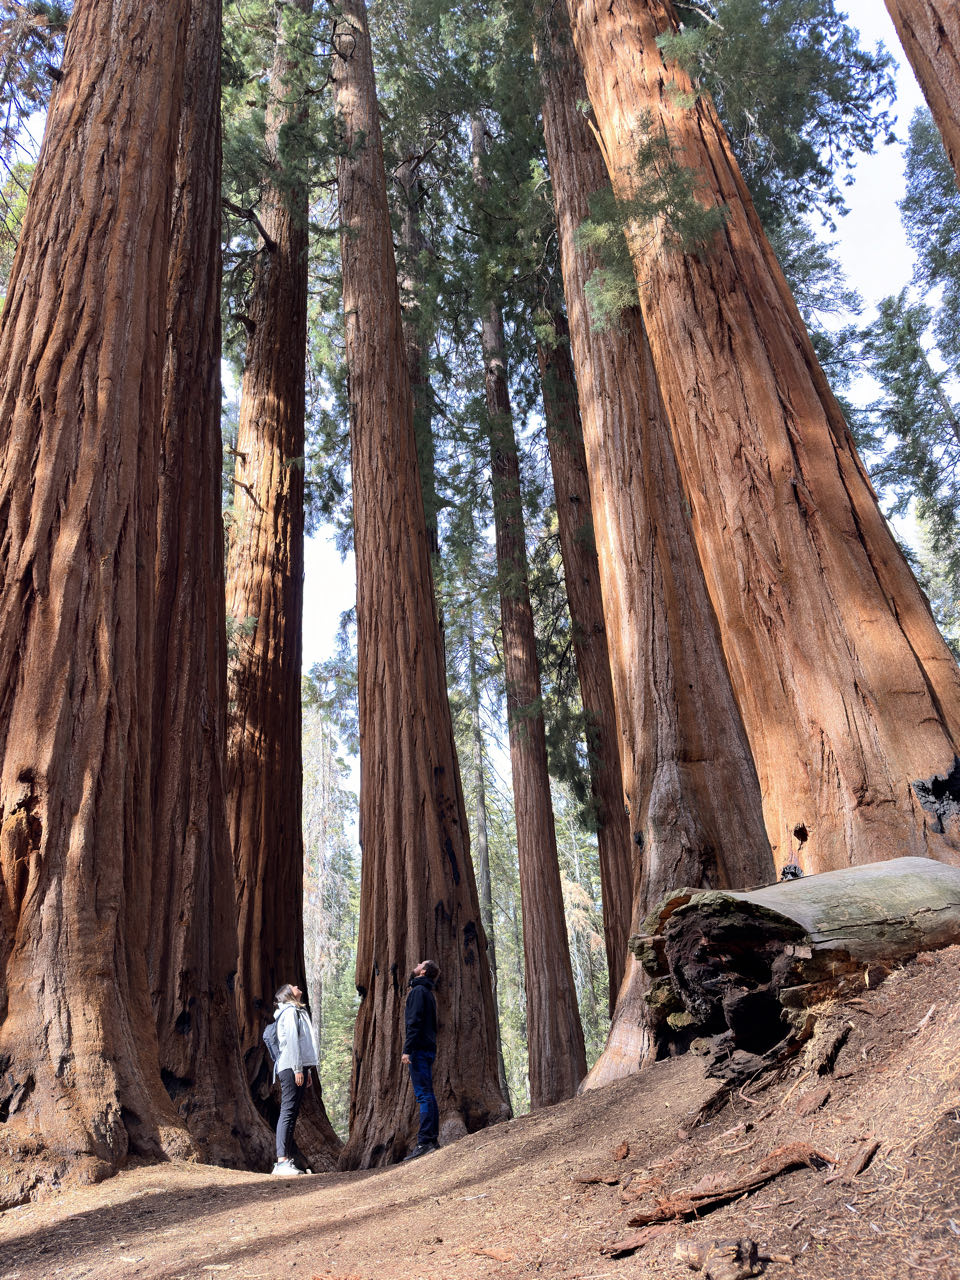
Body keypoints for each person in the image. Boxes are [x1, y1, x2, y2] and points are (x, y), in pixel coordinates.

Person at [271, 983, 318, 1177]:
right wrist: (299, 1069)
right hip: (290, 1066)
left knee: (293, 1112)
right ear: (288, 993)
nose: (297, 986)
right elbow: (291, 1040)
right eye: (293, 986)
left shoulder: (297, 1011)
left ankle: (285, 1159)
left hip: (296, 1066)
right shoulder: (290, 1012)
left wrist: (306, 1071)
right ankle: (281, 1162)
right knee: (288, 1112)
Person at [401, 959, 441, 1161]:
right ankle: (432, 1139)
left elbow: (414, 1022)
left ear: (423, 972)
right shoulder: (428, 994)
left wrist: (407, 1050)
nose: (415, 964)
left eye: (420, 964)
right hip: (428, 1048)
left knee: (424, 1095)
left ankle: (425, 1141)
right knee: (428, 1094)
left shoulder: (418, 992)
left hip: (418, 1049)